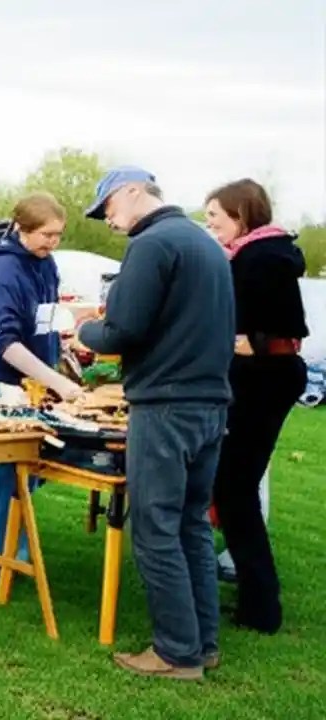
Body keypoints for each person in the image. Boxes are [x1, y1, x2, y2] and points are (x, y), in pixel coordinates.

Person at [77, 166, 234, 679]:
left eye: (108, 209)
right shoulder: (204, 243)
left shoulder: (151, 244)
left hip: (167, 406)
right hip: (210, 401)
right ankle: (202, 643)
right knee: (190, 524)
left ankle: (176, 651)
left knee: (155, 526)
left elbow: (125, 330)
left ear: (133, 193)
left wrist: (87, 330)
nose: (109, 221)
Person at [0, 193, 81, 581]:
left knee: (20, 475)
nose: (53, 242)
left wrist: (60, 360)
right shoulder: (3, 271)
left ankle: (11, 552)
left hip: (32, 383)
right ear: (22, 229)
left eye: (59, 235)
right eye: (46, 234)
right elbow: (3, 341)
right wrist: (55, 380)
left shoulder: (46, 264)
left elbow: (43, 321)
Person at [203, 178, 308, 635]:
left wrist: (258, 344)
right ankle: (255, 598)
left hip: (264, 381)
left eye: (215, 218)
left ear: (241, 215)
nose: (210, 226)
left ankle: (262, 607)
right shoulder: (261, 253)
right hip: (265, 378)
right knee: (232, 488)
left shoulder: (261, 258)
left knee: (235, 490)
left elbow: (286, 327)